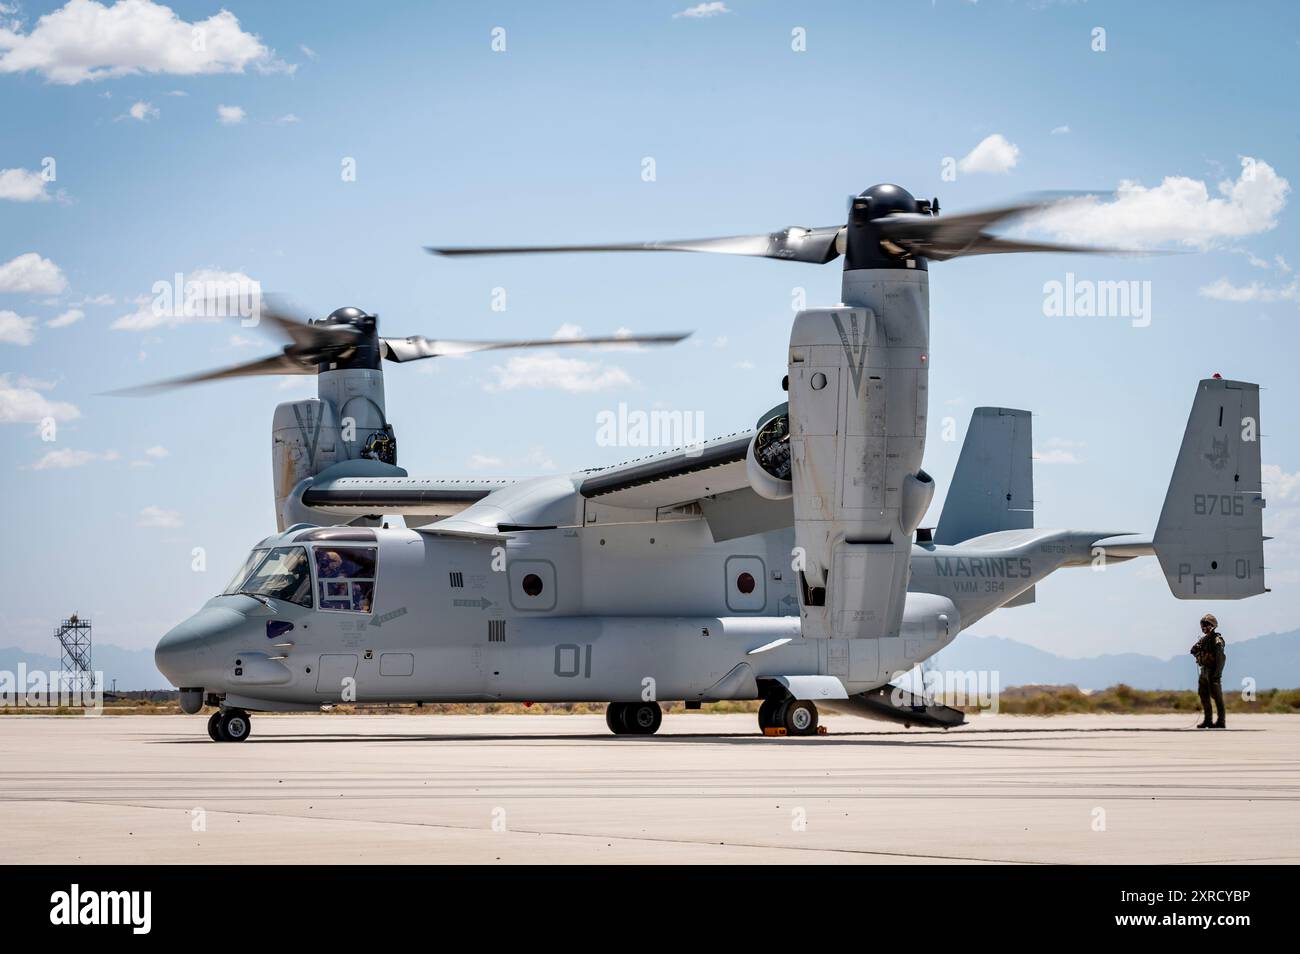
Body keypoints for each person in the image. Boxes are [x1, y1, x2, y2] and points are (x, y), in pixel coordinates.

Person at [1190, 613, 1227, 729]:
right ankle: (1208, 720)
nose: (1203, 628)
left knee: (1217, 697)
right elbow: (1193, 650)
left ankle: (1221, 721)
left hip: (1212, 672)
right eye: (1202, 625)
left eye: (1206, 625)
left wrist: (1217, 674)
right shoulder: (1204, 640)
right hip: (1204, 671)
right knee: (1203, 695)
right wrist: (1197, 650)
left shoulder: (1217, 640)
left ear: (1212, 625)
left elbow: (1221, 658)